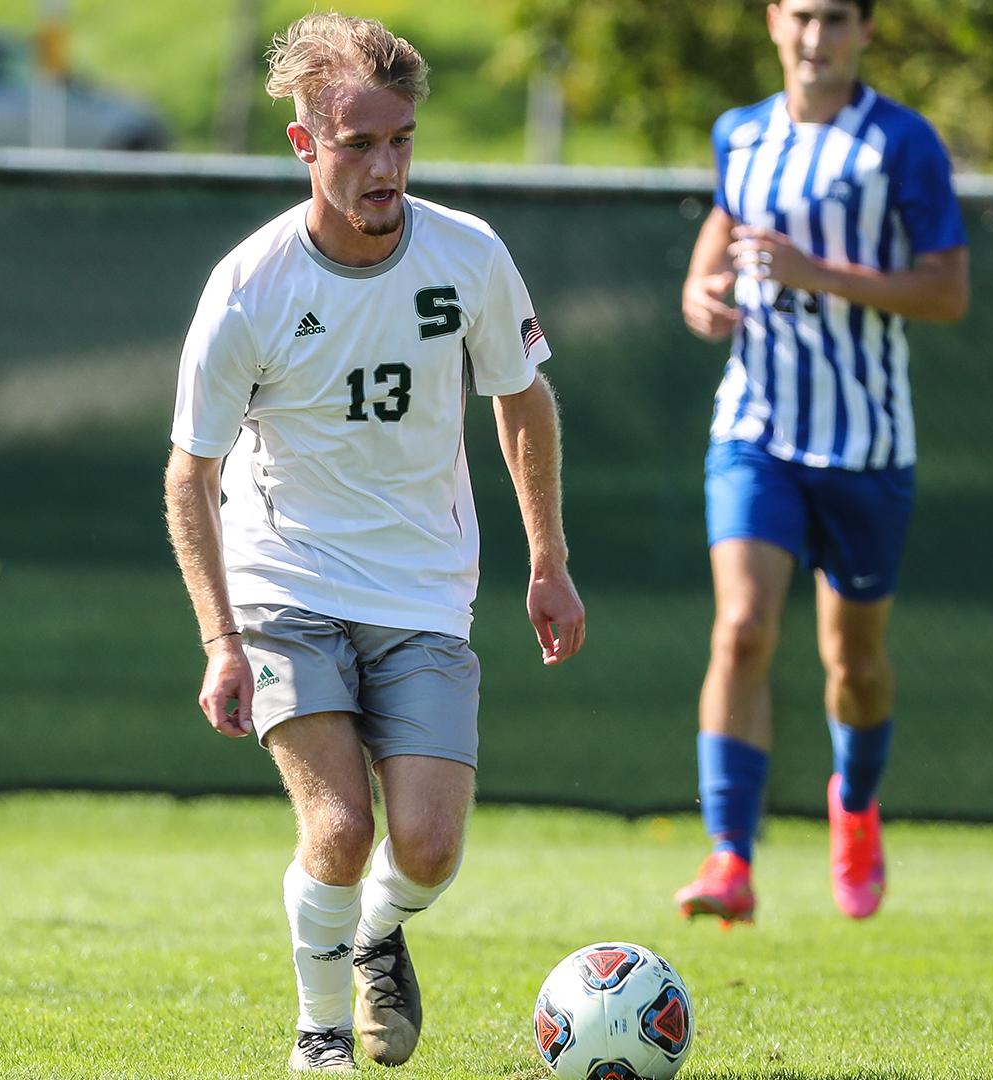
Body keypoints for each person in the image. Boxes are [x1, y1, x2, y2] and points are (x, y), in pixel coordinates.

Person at [162, 13, 584, 1072]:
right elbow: (191, 475)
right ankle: (318, 1035)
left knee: (429, 851)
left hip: (424, 590)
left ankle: (378, 930)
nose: (386, 165)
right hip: (285, 584)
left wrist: (548, 562)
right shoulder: (250, 287)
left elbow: (523, 402)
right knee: (342, 827)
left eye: (400, 140)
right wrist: (220, 639)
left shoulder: (470, 255)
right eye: (359, 144)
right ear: (306, 146)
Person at [675, 0, 969, 924]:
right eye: (802, 15)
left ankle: (855, 802)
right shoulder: (741, 134)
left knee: (855, 665)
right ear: (773, 21)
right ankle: (730, 856)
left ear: (866, 31)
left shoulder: (900, 143)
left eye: (836, 17)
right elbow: (725, 221)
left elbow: (948, 291)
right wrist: (700, 290)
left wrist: (822, 276)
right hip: (755, 430)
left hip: (866, 444)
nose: (817, 35)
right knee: (742, 630)